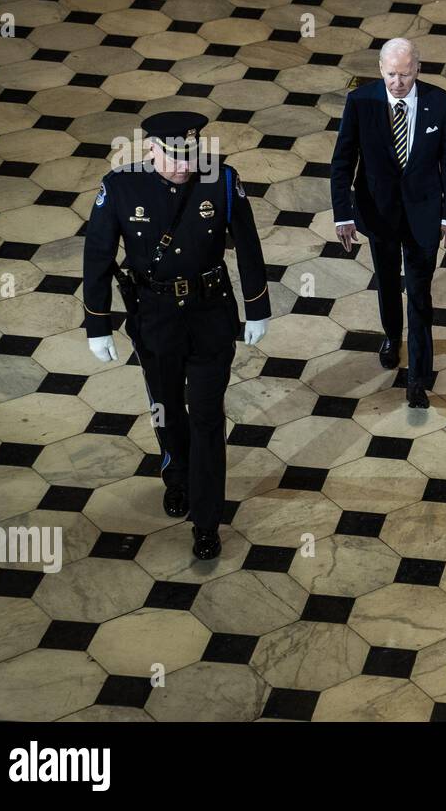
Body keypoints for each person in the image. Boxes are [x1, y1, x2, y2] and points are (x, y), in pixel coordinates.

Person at [82, 111, 270, 560]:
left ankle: (207, 522)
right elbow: (98, 255)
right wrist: (97, 323)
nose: (184, 167)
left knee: (207, 417)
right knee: (166, 407)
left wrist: (257, 307)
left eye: (190, 156)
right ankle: (177, 476)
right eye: (173, 156)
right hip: (155, 318)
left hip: (210, 316)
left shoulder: (221, 180)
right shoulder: (121, 185)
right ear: (150, 149)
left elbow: (247, 244)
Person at [329, 38, 446, 409]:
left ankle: (418, 377)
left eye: (404, 74)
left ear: (417, 69)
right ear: (380, 70)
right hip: (379, 214)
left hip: (424, 216)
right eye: (391, 74)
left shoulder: (440, 102)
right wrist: (344, 213)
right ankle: (391, 336)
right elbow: (343, 161)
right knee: (388, 284)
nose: (398, 82)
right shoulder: (361, 102)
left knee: (419, 297)